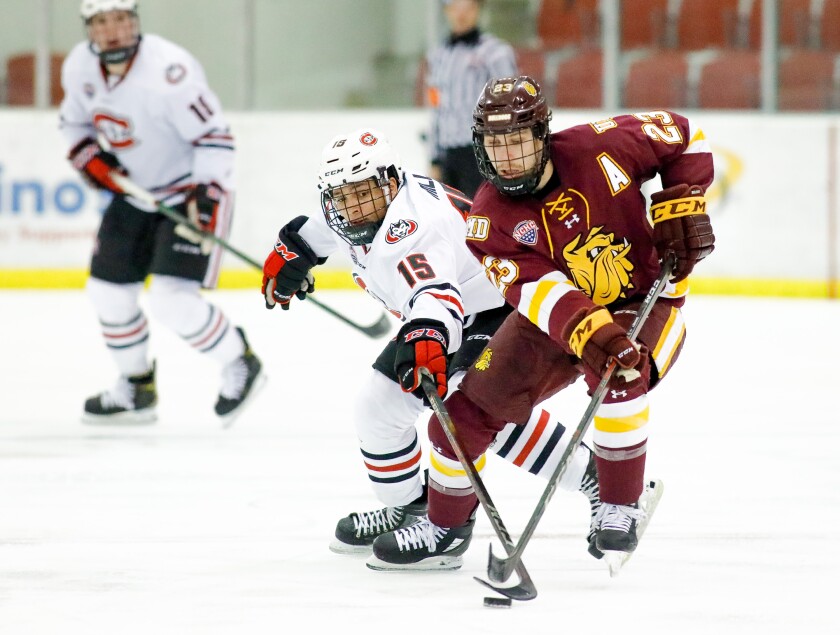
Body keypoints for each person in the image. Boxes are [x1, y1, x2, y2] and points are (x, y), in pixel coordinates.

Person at [369, 76, 715, 570]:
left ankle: (620, 504)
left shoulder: (605, 145)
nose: (507, 157)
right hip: (554, 320)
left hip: (643, 300)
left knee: (621, 374)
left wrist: (683, 201)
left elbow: (685, 136)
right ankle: (444, 527)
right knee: (462, 419)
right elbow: (537, 292)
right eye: (495, 144)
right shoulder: (488, 219)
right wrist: (591, 331)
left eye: (517, 141)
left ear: (542, 134)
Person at [260, 128, 603, 567]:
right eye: (342, 196)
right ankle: (411, 508)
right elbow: (325, 227)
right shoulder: (366, 204)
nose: (353, 206)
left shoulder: (414, 227)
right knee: (377, 406)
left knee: (473, 404)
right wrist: (293, 250)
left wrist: (426, 337)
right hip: (458, 308)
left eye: (362, 193)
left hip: (503, 303)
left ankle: (596, 480)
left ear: (389, 181)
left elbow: (436, 297)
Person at [60, 0, 265, 425]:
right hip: (133, 193)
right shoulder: (79, 66)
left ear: (135, 22)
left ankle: (240, 361)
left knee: (172, 299)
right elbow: (74, 125)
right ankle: (136, 388)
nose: (113, 30)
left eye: (121, 19)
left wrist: (205, 194)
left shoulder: (171, 72)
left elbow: (215, 136)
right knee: (107, 292)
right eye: (102, 22)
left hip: (189, 191)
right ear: (88, 29)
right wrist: (89, 158)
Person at [425, 0, 517, 198]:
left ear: (478, 10)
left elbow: (510, 103)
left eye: (467, 8)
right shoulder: (439, 55)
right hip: (448, 152)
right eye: (455, 7)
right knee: (449, 215)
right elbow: (437, 108)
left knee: (481, 211)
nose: (461, 14)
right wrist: (434, 159)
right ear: (447, 11)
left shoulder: (494, 52)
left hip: (480, 150)